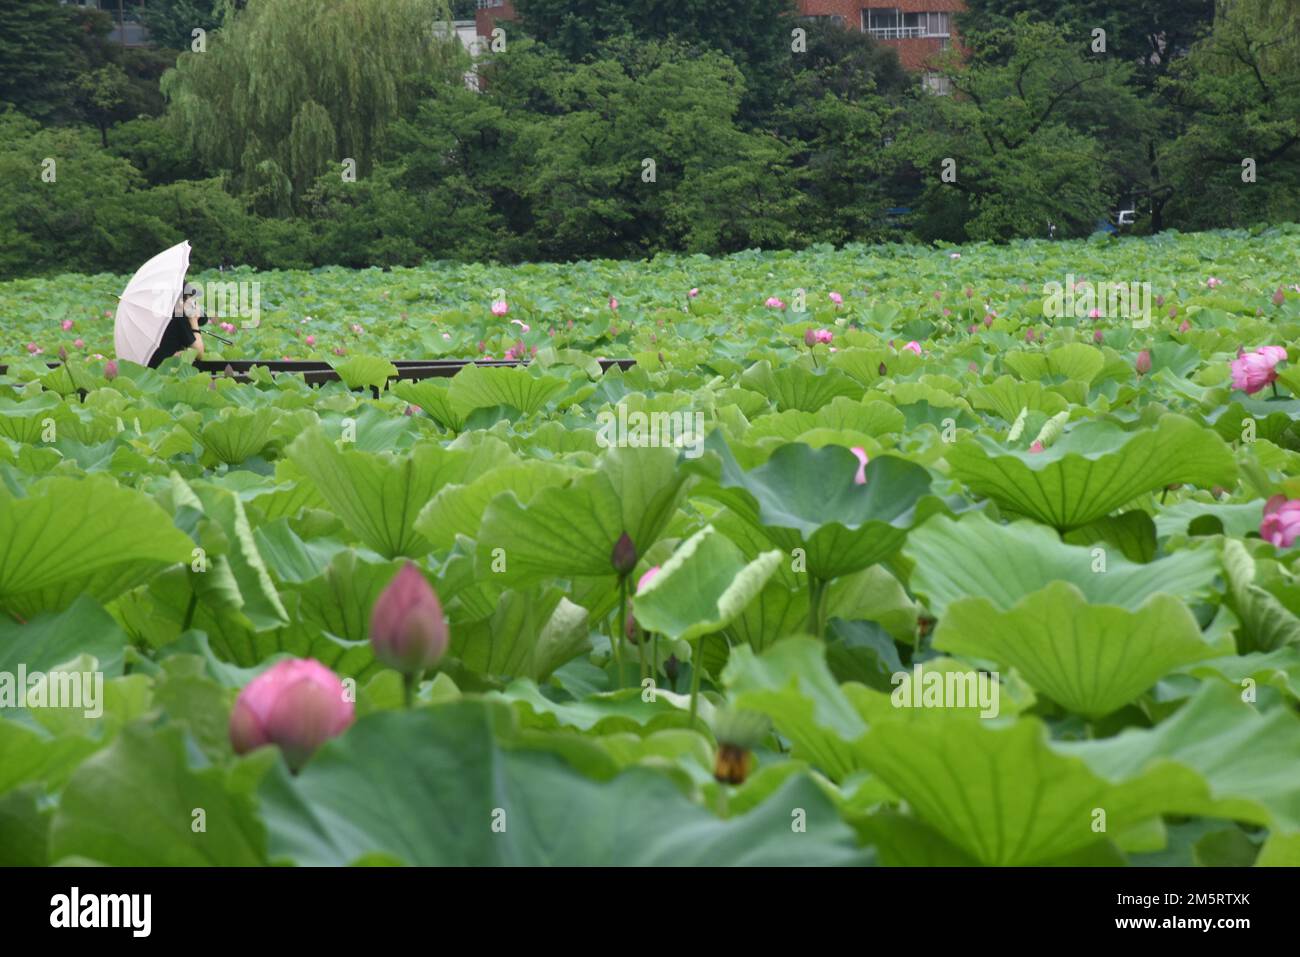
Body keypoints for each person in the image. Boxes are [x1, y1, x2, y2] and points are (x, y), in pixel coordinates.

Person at [148, 284, 206, 368]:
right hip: (166, 372)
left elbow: (204, 319)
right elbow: (199, 353)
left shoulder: (155, 311)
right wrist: (193, 320)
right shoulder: (178, 315)